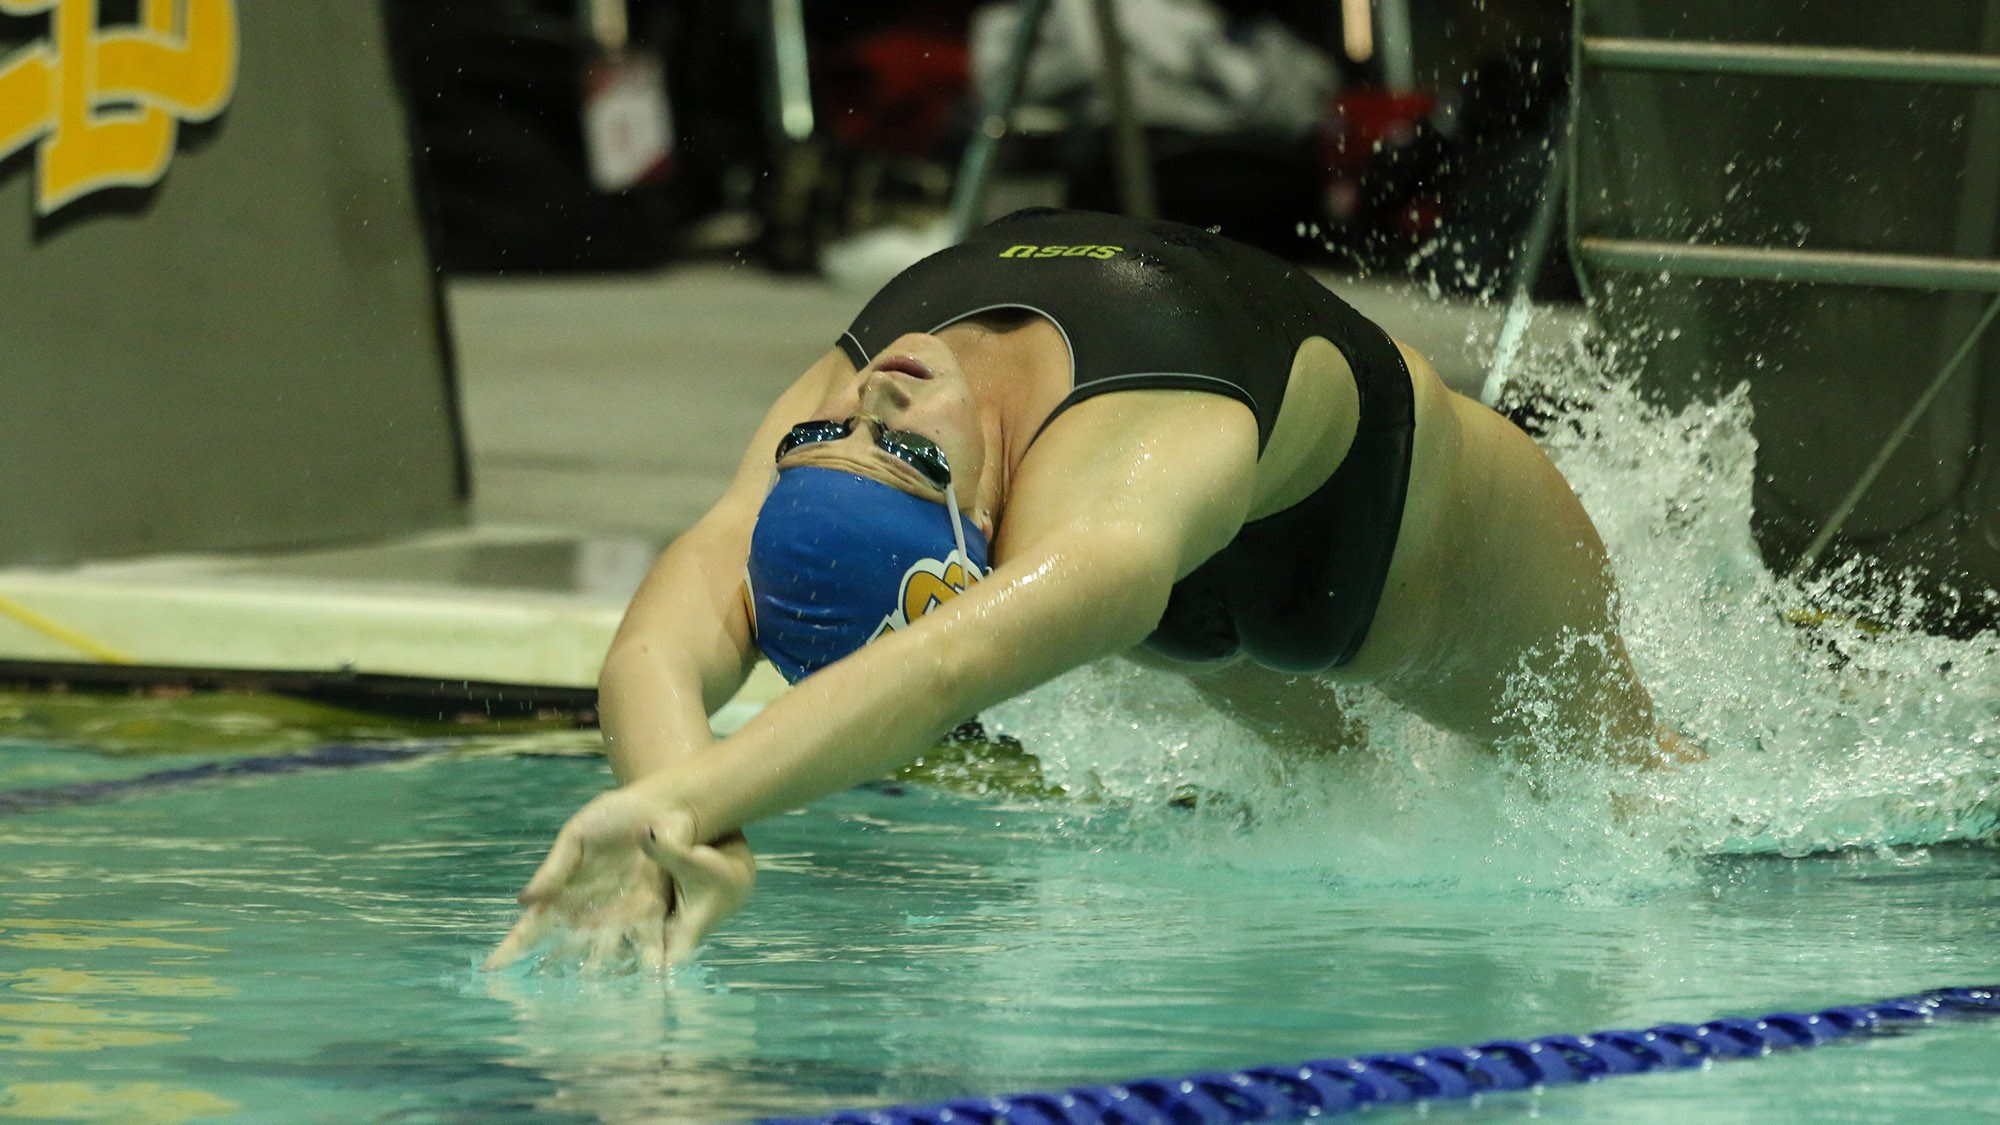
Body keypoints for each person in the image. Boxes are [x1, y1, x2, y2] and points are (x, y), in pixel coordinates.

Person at [486, 208, 1687, 971]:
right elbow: (929, 663)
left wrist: (671, 804)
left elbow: (675, 645)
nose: (874, 402)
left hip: (1419, 556)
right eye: (894, 452)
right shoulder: (1089, 504)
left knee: (1631, 789)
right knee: (1356, 831)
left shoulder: (861, 399)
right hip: (1185, 583)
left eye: (831, 434)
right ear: (980, 546)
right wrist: (693, 824)